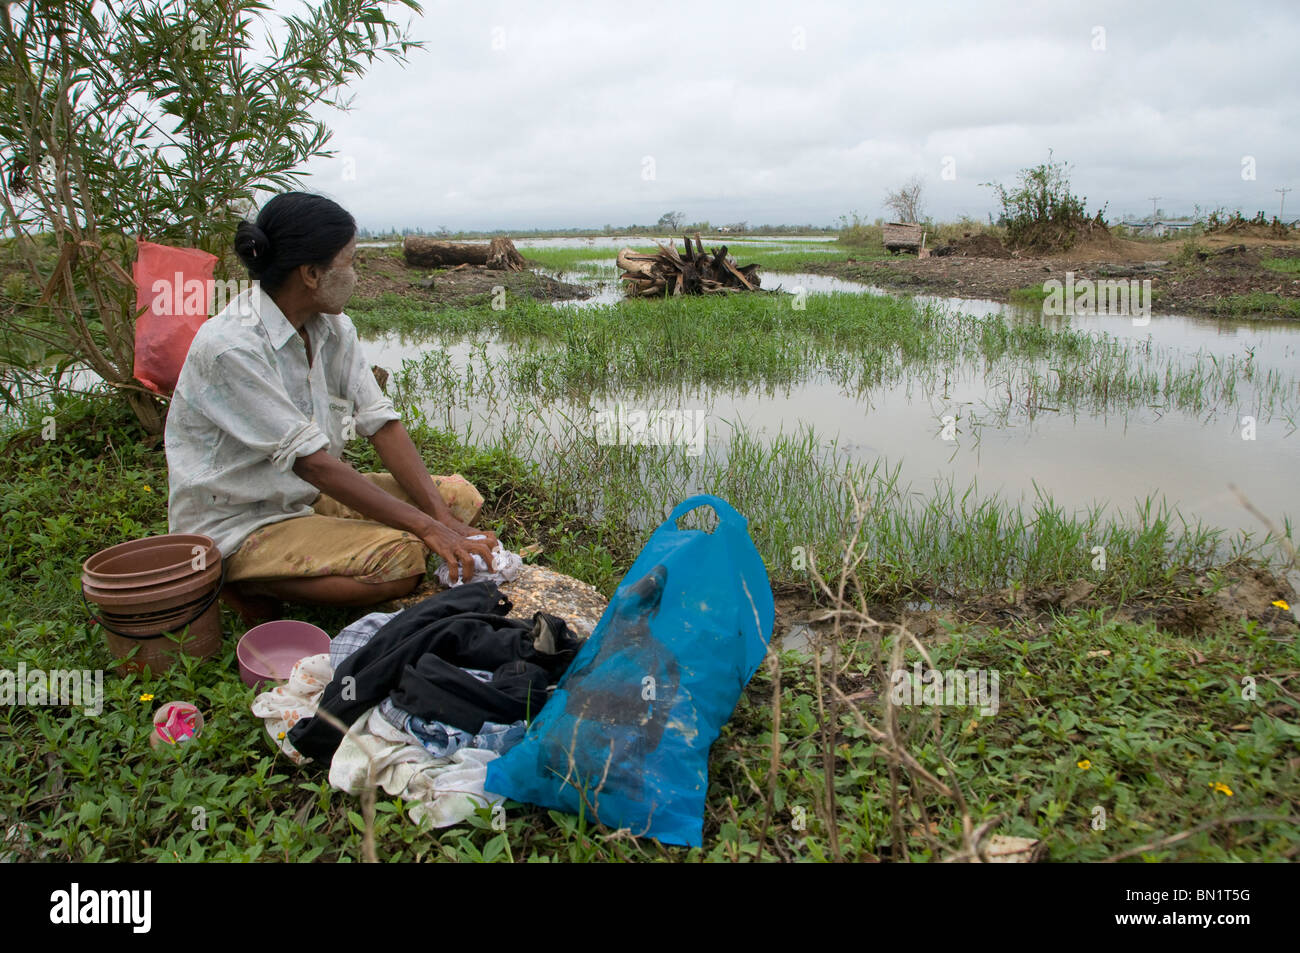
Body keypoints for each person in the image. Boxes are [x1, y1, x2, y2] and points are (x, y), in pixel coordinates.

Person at [164, 192, 498, 625]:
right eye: (351, 262)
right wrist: (428, 529)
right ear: (311, 273)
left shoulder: (331, 327)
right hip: (239, 522)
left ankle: (327, 547)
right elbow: (315, 466)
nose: (356, 275)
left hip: (301, 499)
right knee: (400, 562)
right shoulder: (231, 347)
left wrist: (437, 515)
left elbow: (381, 425)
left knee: (458, 499)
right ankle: (241, 579)